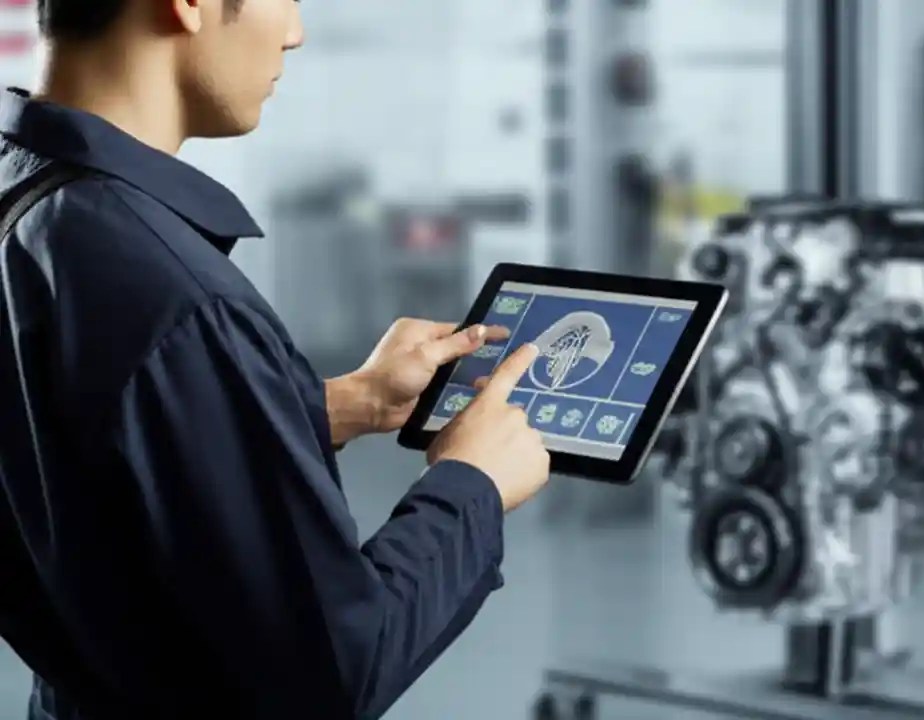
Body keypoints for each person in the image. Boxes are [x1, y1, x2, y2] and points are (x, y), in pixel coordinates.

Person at [0, 1, 551, 718]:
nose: (295, 32)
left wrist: (342, 405)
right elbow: (333, 675)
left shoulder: (30, 199)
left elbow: (86, 466)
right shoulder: (179, 295)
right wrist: (472, 484)